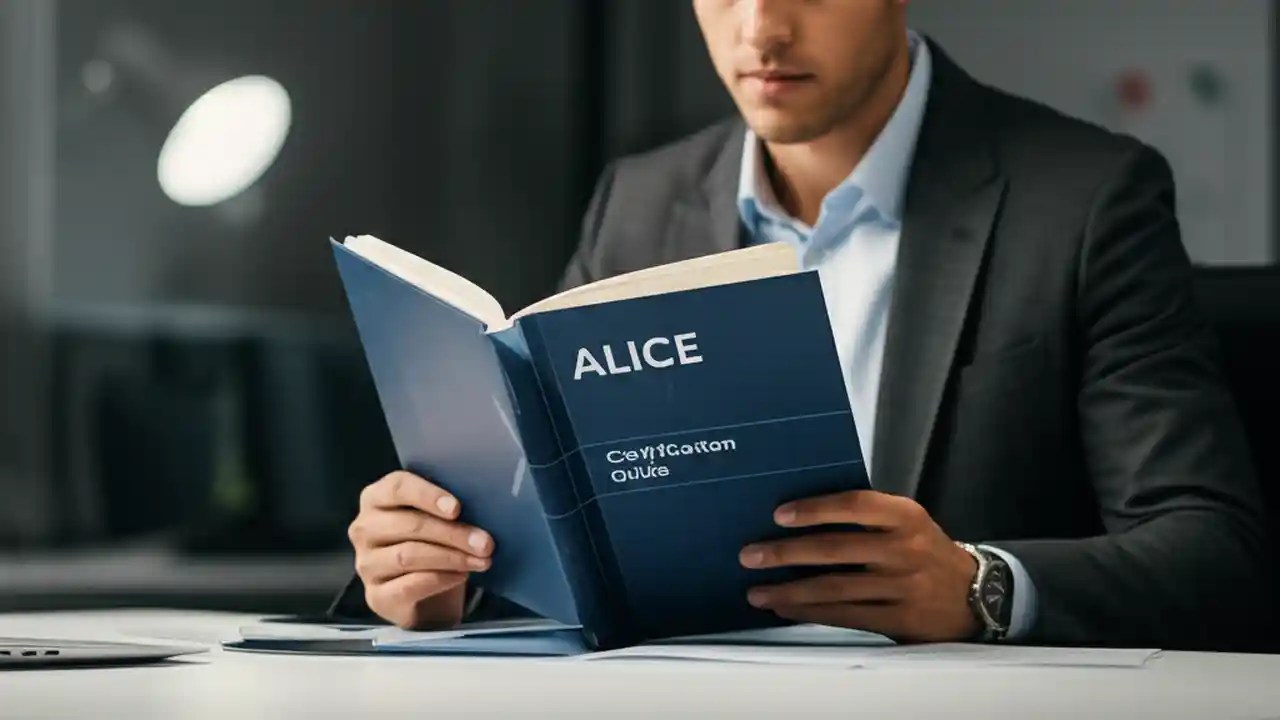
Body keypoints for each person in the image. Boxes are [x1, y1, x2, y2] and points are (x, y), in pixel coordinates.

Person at [340, 0, 1275, 650]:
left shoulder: (1086, 200)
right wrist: (446, 568)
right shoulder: (640, 200)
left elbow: (1214, 554)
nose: (761, 33)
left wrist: (977, 588)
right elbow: (565, 518)